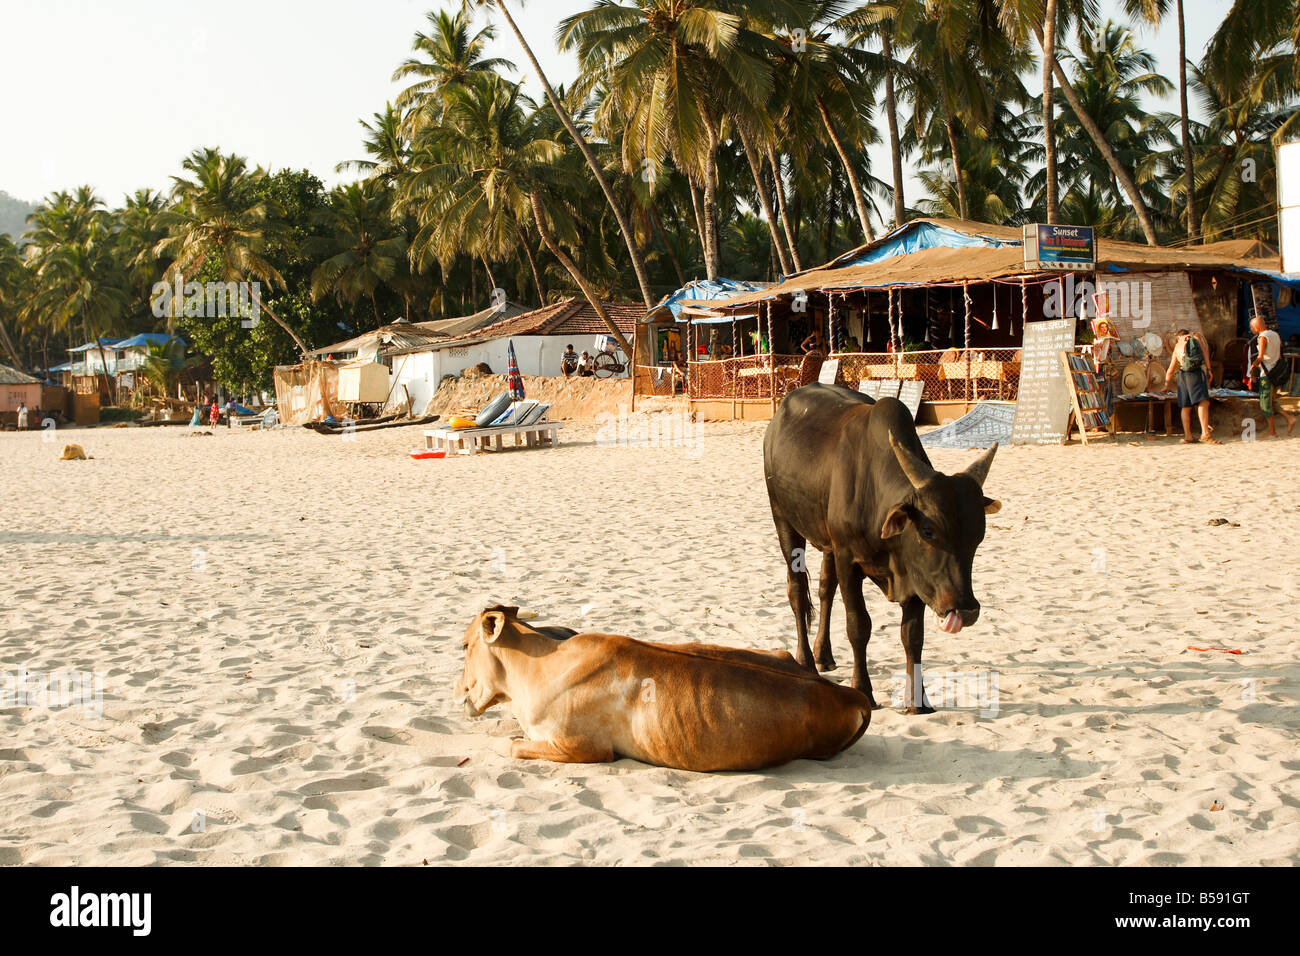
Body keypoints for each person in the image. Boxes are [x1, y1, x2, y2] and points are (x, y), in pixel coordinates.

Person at [1164, 328, 1218, 444]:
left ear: (1178, 337)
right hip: (1195, 373)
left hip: (1183, 375)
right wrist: (1209, 369)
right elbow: (1205, 352)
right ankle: (1205, 433)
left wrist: (1166, 385)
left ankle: (1188, 435)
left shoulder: (1176, 347)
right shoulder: (1195, 337)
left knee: (1186, 406)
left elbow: (1170, 370)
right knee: (1203, 402)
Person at [1248, 315, 1297, 438]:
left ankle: (1272, 430)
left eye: (1251, 326)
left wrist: (1253, 367)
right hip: (1276, 372)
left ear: (1256, 326)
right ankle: (1289, 418)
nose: (1251, 329)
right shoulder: (1275, 334)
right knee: (1272, 400)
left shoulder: (1262, 337)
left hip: (1267, 374)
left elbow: (1260, 356)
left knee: (1265, 402)